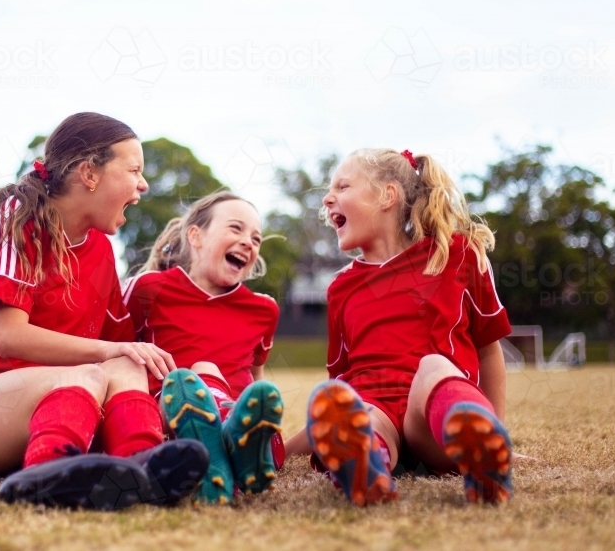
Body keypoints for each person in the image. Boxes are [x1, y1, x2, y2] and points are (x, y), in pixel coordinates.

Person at [0, 113, 208, 510]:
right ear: (89, 173)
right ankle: (47, 472)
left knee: (126, 365)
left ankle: (143, 467)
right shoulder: (16, 217)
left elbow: (120, 351)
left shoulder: (102, 250)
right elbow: (9, 337)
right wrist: (105, 353)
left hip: (68, 397)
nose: (143, 184)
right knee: (91, 372)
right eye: (134, 170)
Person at [286, 149, 514, 505]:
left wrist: (497, 429)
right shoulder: (340, 289)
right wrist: (282, 451)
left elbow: (488, 349)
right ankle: (367, 465)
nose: (328, 198)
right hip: (377, 410)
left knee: (433, 367)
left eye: (343, 186)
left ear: (387, 196)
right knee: (355, 409)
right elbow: (341, 383)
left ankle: (481, 451)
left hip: (431, 424)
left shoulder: (456, 254)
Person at [123, 191, 283, 504]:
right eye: (235, 229)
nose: (248, 242)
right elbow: (118, 351)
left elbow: (256, 378)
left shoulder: (264, 309)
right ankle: (225, 448)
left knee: (210, 375)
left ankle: (232, 445)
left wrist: (268, 421)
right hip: (169, 426)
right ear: (195, 236)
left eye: (256, 238)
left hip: (251, 433)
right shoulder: (150, 289)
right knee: (194, 374)